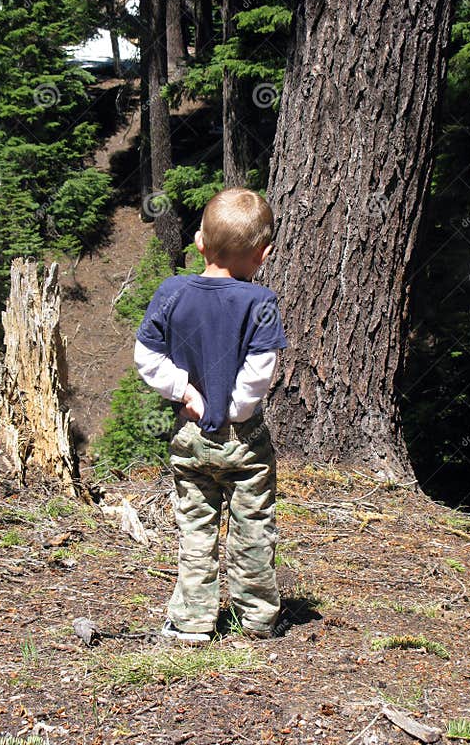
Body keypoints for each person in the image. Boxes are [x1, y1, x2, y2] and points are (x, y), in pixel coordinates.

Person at [134, 187, 287, 644]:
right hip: (245, 437)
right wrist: (234, 410)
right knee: (254, 524)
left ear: (199, 242)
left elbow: (146, 356)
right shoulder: (259, 303)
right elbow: (261, 371)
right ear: (263, 254)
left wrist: (187, 394)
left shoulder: (172, 292)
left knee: (195, 526)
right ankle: (258, 617)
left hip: (190, 433)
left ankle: (192, 621)